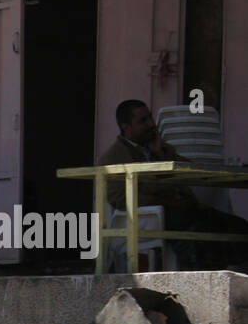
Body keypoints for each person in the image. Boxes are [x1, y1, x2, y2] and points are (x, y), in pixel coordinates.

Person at [99, 100, 248, 271]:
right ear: (126, 128)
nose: (151, 125)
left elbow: (187, 170)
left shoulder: (156, 148)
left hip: (184, 208)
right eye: (143, 121)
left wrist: (161, 154)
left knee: (238, 227)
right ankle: (200, 278)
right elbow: (120, 198)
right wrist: (165, 201)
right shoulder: (113, 157)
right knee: (197, 230)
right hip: (152, 215)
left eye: (150, 118)